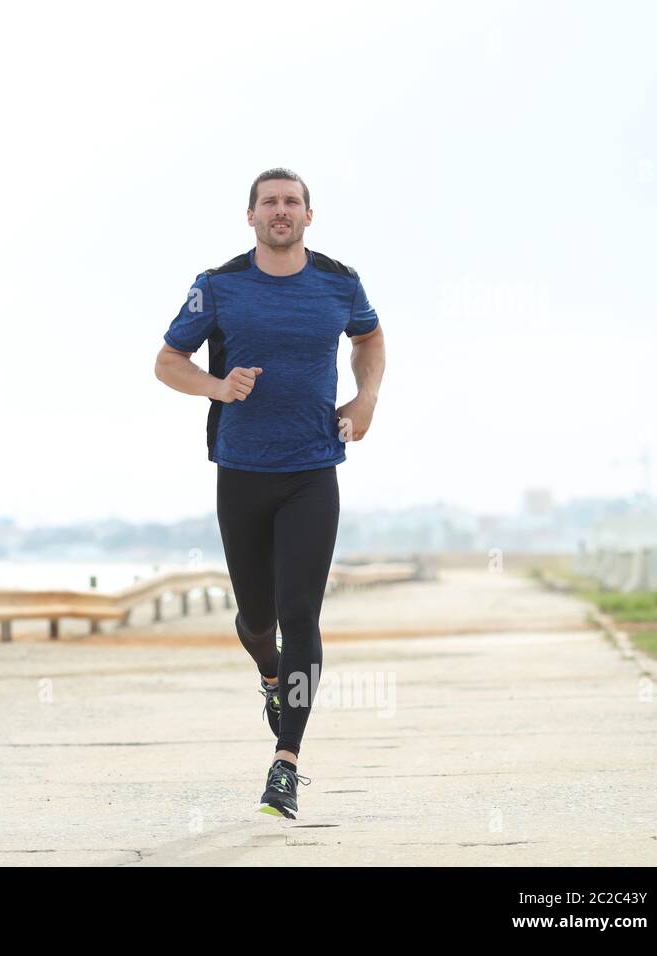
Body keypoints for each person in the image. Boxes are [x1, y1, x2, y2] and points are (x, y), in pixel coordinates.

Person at [153, 167, 386, 819]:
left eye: (291, 202)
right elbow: (169, 361)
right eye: (269, 203)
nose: (280, 211)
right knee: (258, 621)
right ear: (250, 216)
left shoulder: (340, 283)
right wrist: (216, 386)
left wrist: (365, 399)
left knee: (302, 614)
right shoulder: (218, 287)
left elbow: (369, 337)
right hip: (243, 472)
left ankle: (285, 765)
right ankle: (269, 672)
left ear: (309, 216)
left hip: (313, 468)